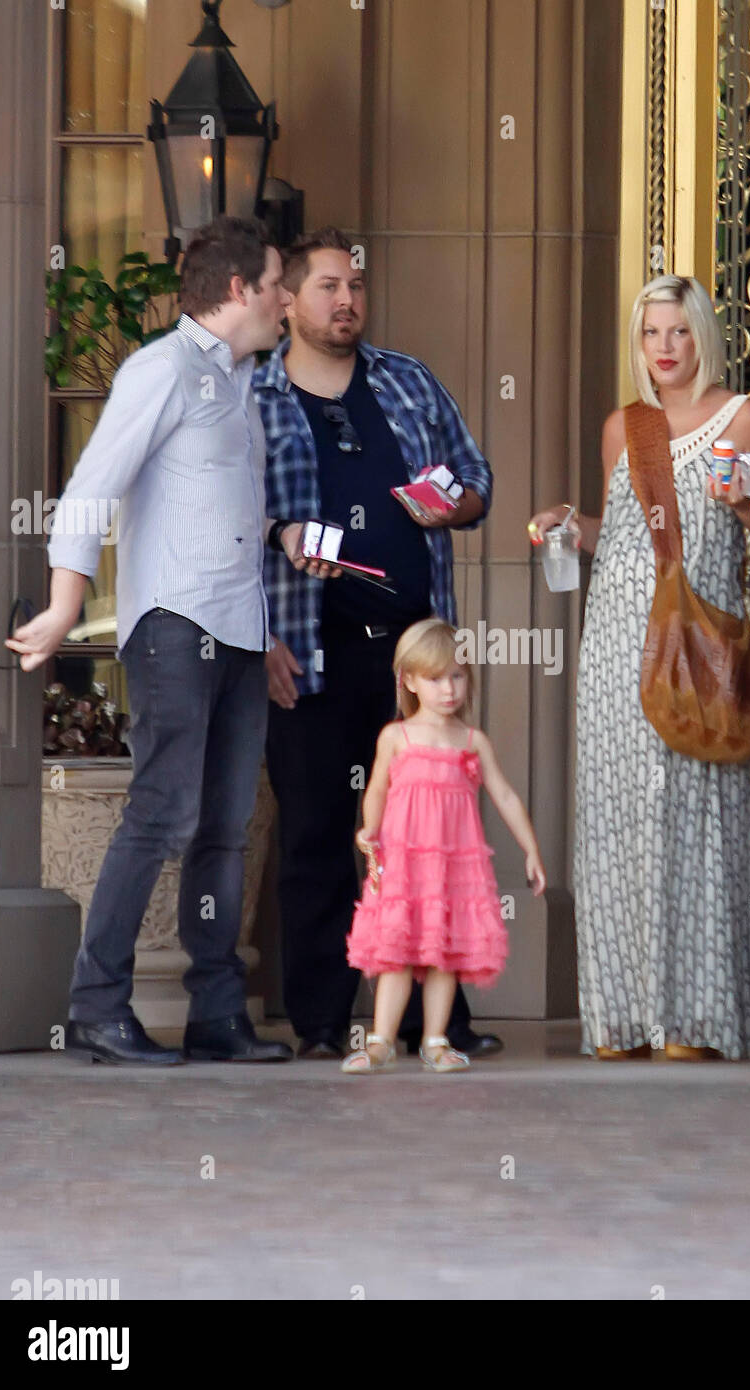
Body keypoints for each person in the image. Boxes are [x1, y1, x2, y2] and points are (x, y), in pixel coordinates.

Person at [7, 216, 325, 1065]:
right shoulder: (160, 370)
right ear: (235, 292)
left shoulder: (242, 383)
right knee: (161, 813)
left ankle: (219, 1014)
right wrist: (67, 601)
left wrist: (281, 534)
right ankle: (97, 1007)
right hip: (174, 629)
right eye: (274, 285)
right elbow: (89, 489)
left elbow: (214, 501)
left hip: (239, 628)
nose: (286, 299)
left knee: (223, 824)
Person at [254, 228, 502, 1061]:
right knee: (317, 835)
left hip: (411, 656)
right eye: (327, 285)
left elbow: (476, 480)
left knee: (433, 835)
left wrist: (453, 505)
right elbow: (218, 522)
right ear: (287, 299)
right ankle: (324, 1023)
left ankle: (443, 1024)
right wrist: (260, 640)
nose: (346, 300)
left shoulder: (407, 380)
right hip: (306, 646)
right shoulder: (254, 395)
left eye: (355, 285)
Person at [529, 274, 750, 1061]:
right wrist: (569, 522)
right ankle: (623, 1018)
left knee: (692, 815)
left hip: (697, 644)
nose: (664, 349)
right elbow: (631, 535)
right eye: (650, 335)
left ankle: (696, 1019)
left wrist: (746, 497)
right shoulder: (623, 428)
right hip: (615, 646)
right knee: (615, 822)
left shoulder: (744, 416)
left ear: (701, 334)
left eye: (677, 332)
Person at [342, 620, 545, 1073]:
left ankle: (436, 1040)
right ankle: (380, 1041)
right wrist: (370, 829)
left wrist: (531, 848)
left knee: (442, 955)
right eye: (435, 678)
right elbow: (375, 788)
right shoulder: (396, 737)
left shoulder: (472, 741)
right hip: (403, 859)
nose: (449, 688)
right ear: (409, 681)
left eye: (457, 676)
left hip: (454, 865)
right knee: (395, 954)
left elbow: (506, 795)